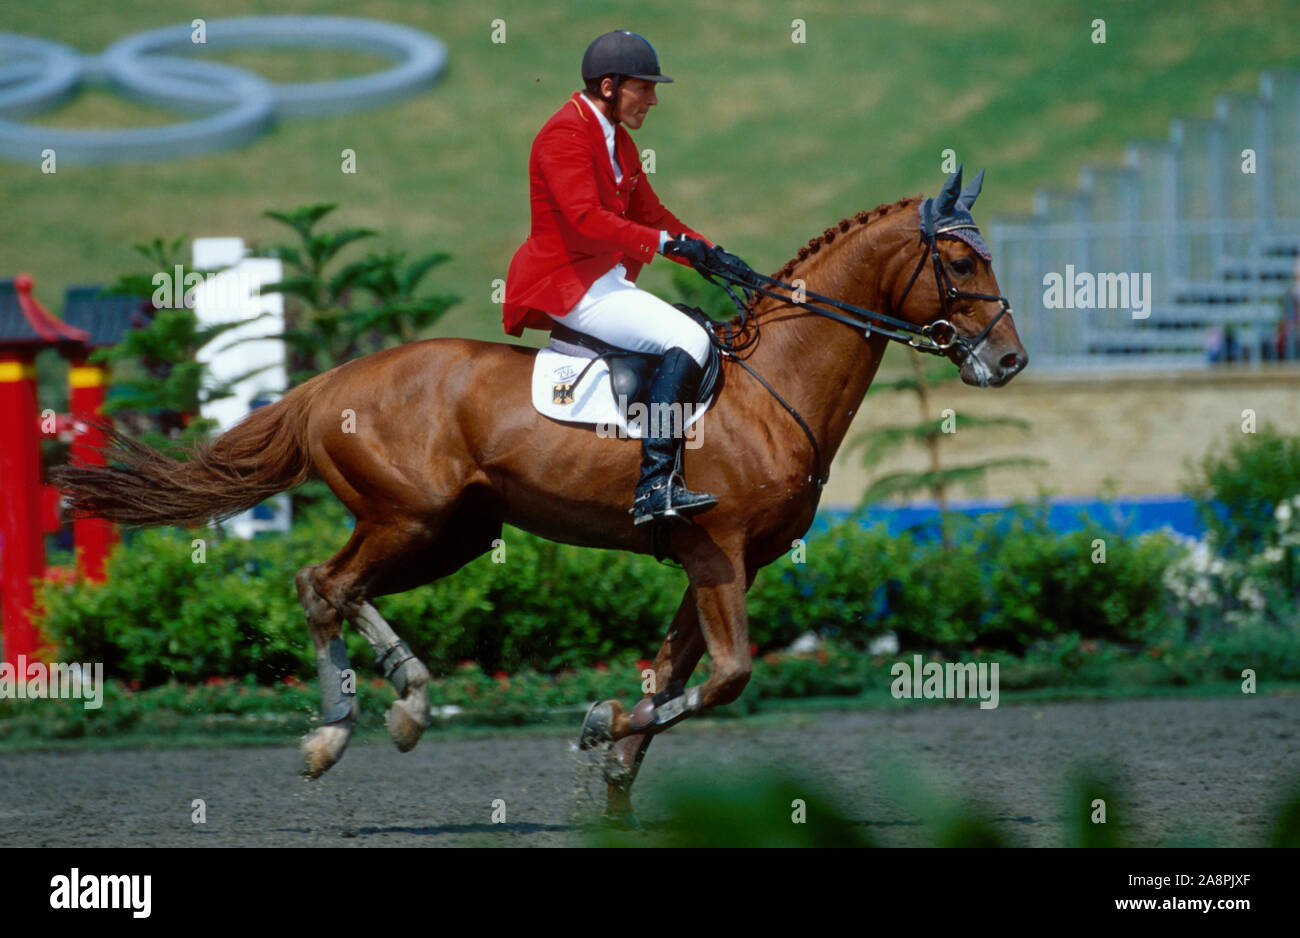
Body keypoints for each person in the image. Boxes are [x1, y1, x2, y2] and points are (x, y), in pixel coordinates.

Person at [504, 30, 722, 526]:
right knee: (688, 339)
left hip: (602, 279)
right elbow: (585, 218)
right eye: (643, 88)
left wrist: (715, 256)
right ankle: (655, 484)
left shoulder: (619, 140)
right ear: (609, 87)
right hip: (569, 283)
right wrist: (665, 245)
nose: (653, 99)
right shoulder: (563, 135)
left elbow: (653, 215)